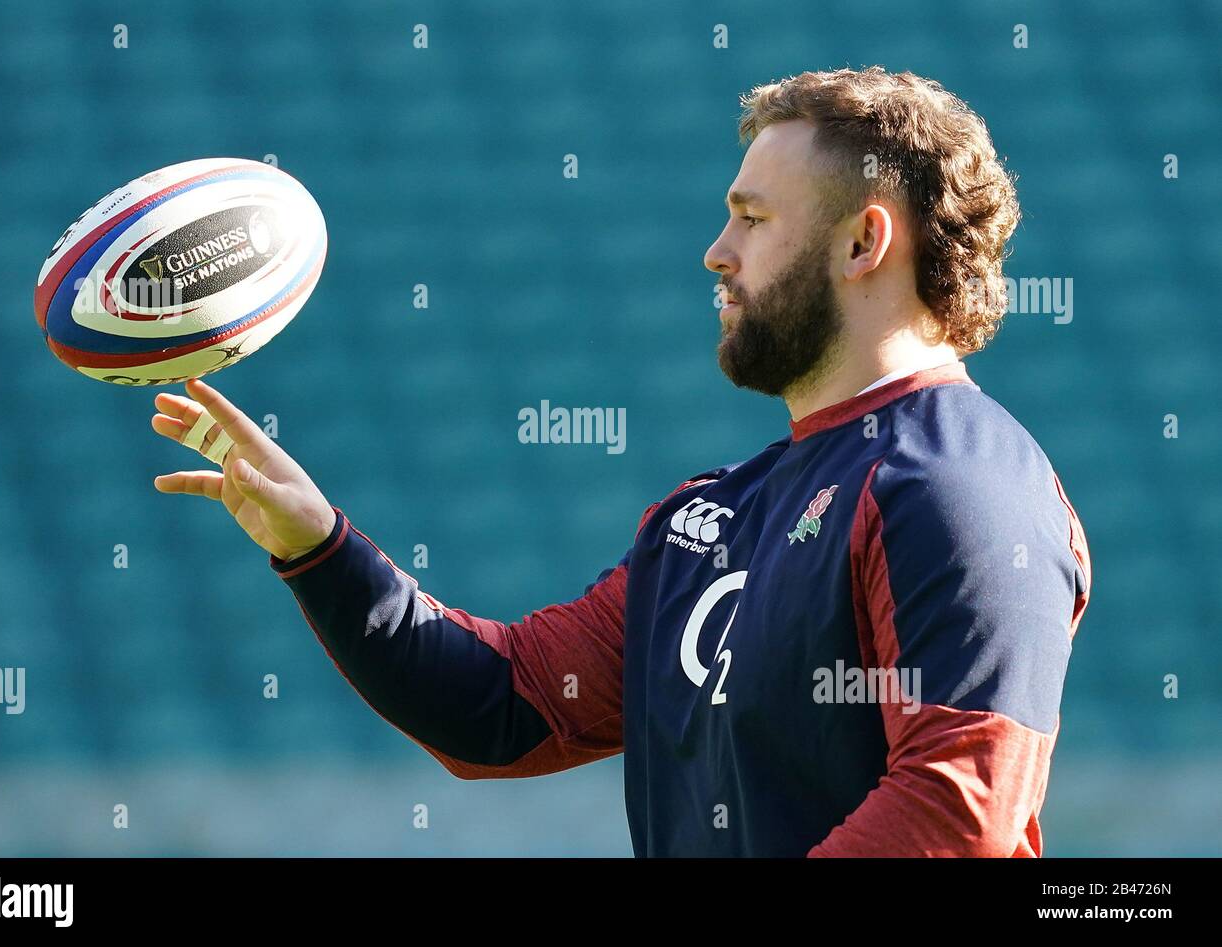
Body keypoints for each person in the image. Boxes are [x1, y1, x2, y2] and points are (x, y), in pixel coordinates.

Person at [152, 66, 1091, 857]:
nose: (715, 253)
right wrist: (316, 545)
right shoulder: (710, 521)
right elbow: (501, 704)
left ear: (862, 242)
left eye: (752, 219)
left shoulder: (959, 482)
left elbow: (956, 807)